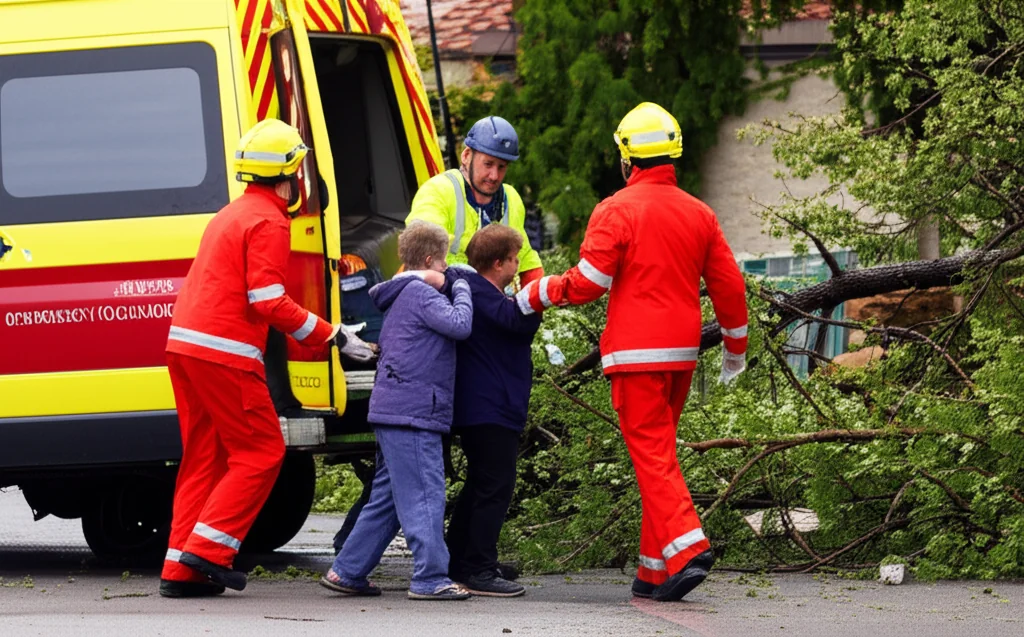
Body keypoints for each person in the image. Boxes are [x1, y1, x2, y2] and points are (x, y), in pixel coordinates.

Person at [516, 103, 749, 602]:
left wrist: (538, 293)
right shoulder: (699, 212)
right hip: (682, 354)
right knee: (659, 455)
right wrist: (736, 346)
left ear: (627, 157)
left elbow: (590, 283)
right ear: (673, 153)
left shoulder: (616, 208)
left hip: (635, 355)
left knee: (653, 456)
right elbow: (729, 285)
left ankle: (688, 550)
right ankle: (654, 570)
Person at [160, 119, 375, 598]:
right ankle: (209, 553)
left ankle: (180, 570)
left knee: (205, 457)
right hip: (225, 353)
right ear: (292, 176)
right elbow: (269, 301)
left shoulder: (231, 214)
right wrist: (333, 335)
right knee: (261, 452)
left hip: (186, 347)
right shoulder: (271, 222)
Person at [321, 221, 475, 601]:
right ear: (428, 260)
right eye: (442, 263)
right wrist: (463, 286)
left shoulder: (402, 294)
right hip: (414, 412)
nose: (445, 270)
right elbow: (460, 324)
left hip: (394, 410)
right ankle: (430, 578)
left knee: (388, 498)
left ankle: (348, 571)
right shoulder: (421, 294)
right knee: (425, 494)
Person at [444, 225, 541, 598]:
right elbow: (518, 320)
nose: (518, 266)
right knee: (494, 487)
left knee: (481, 485)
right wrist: (537, 298)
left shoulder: (480, 292)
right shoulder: (482, 294)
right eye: (515, 260)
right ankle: (478, 568)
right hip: (490, 408)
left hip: (485, 407)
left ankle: (463, 558)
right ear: (498, 263)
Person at [406, 115, 544, 290]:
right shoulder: (437, 191)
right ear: (466, 155)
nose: (494, 176)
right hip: (445, 301)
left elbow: (525, 258)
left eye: (502, 167)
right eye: (488, 164)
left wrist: (537, 299)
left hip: (492, 302)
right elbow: (422, 257)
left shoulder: (511, 197)